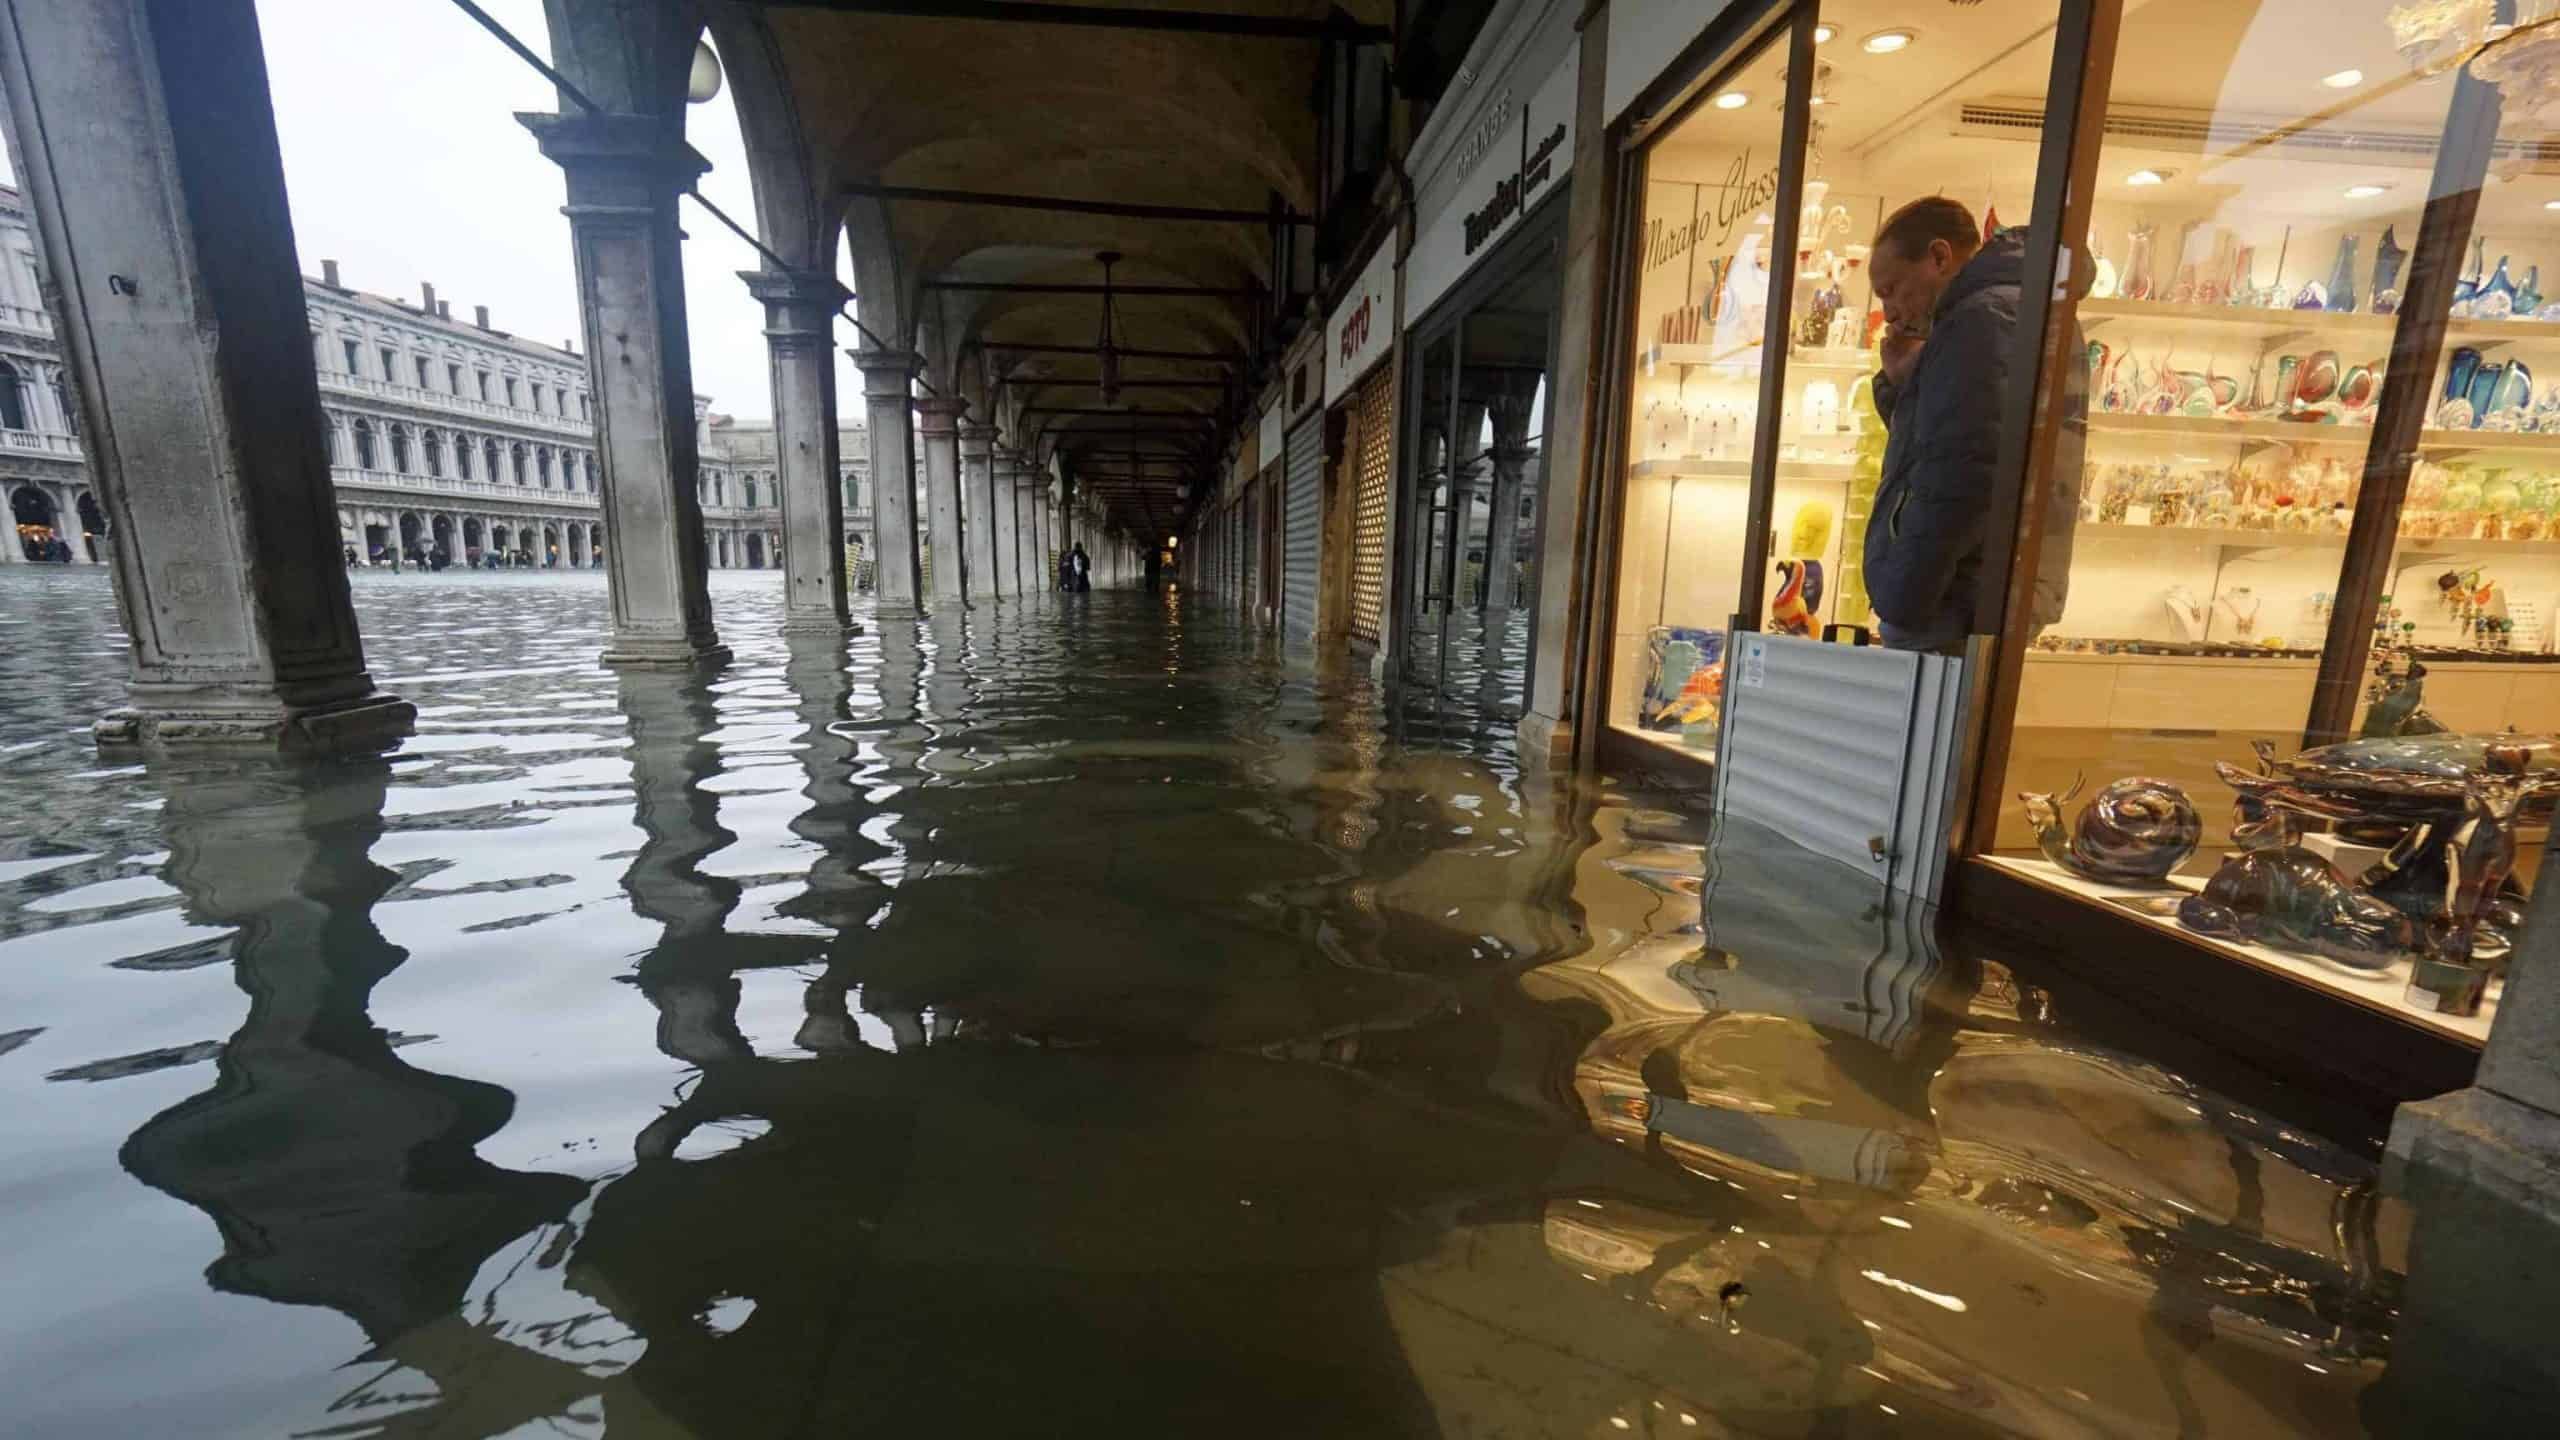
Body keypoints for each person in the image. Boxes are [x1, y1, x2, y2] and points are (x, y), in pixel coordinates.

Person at [1864, 195, 2035, 655]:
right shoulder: (1990, 316)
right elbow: (1945, 447)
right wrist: (1905, 386)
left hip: (1949, 611)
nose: (1891, 312)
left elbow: (1963, 474)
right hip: (1956, 604)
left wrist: (1903, 601)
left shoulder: (1979, 321)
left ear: (1939, 257)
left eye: (1892, 289)